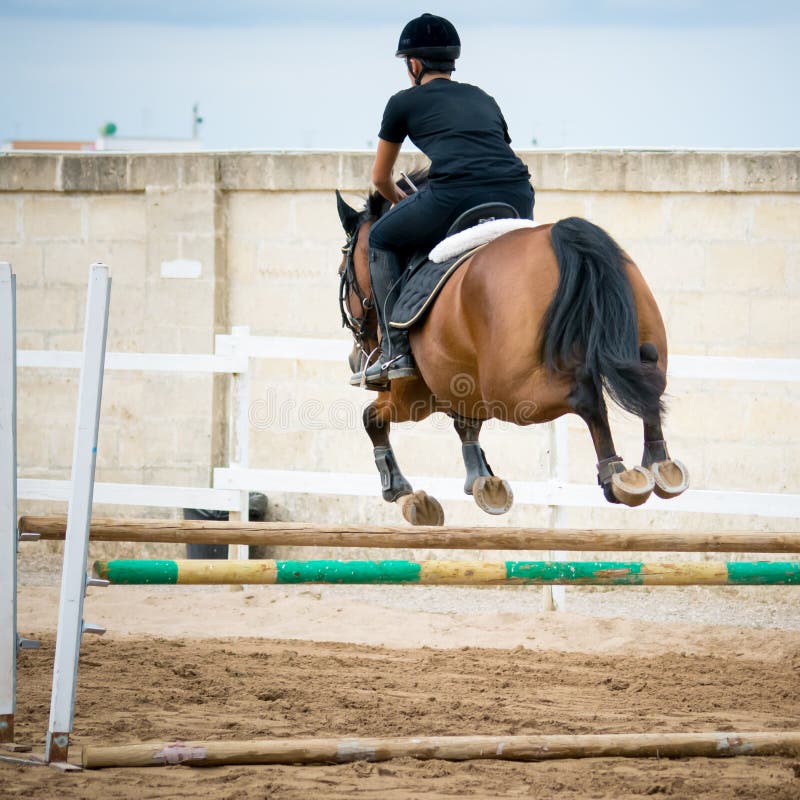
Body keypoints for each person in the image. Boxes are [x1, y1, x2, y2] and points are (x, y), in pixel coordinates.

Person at [351, 12, 535, 389]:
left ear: (414, 65)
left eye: (408, 64)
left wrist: (401, 200)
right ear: (451, 61)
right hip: (518, 195)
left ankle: (394, 349)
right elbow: (495, 153)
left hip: (455, 196)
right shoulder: (484, 97)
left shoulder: (402, 103)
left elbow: (380, 178)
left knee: (382, 238)